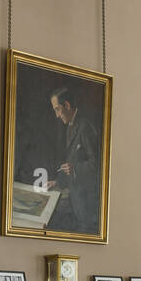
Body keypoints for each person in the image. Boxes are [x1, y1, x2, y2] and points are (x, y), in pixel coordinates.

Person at [45, 85, 101, 235]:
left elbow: (98, 165)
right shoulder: (71, 125)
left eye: (57, 109)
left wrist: (75, 168)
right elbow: (71, 162)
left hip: (87, 207)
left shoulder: (85, 127)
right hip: (77, 202)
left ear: (67, 105)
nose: (57, 115)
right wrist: (58, 182)